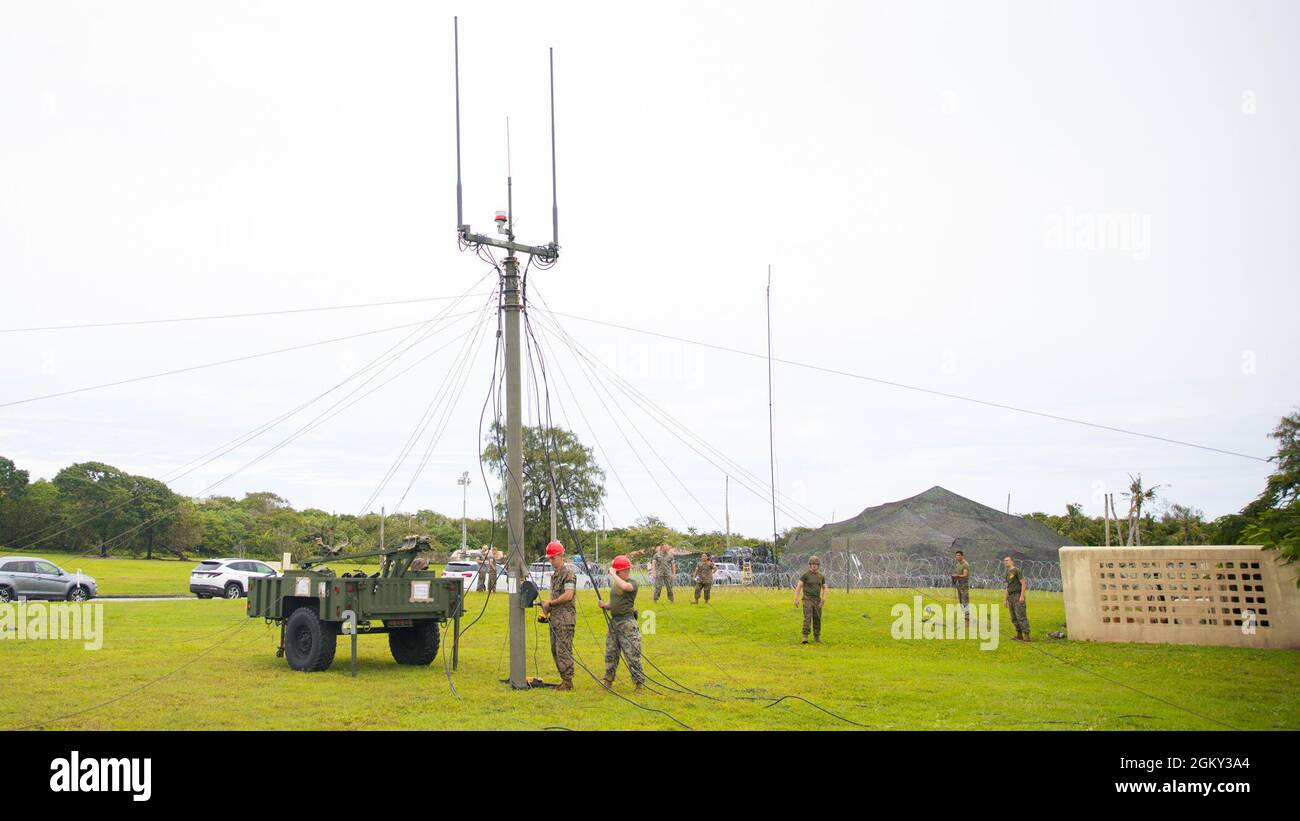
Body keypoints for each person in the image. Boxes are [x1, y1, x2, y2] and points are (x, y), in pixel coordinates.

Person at [599, 555, 645, 693]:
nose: (627, 572)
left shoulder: (632, 583)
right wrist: (605, 605)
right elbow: (614, 602)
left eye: (627, 570)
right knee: (611, 653)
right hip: (614, 623)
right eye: (624, 570)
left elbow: (625, 587)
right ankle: (608, 681)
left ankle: (639, 684)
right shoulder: (616, 585)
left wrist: (613, 573)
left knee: (632, 655)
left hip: (627, 624)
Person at [541, 540, 577, 689]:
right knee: (555, 650)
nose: (551, 561)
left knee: (563, 650)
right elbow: (556, 596)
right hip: (555, 618)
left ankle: (568, 682)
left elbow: (568, 595)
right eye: (549, 558)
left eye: (553, 558)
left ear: (560, 556)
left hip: (565, 619)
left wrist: (551, 603)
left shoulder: (568, 574)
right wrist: (547, 607)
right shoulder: (555, 575)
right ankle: (564, 680)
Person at [794, 556, 827, 644]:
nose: (814, 566)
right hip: (807, 599)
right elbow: (799, 586)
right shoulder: (805, 575)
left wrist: (823, 599)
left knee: (817, 618)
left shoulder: (821, 576)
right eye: (812, 564)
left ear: (818, 566)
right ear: (809, 565)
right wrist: (796, 598)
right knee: (807, 617)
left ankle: (817, 637)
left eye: (816, 564)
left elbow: (825, 588)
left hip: (817, 600)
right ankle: (805, 637)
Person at [1003, 555, 1030, 641]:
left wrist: (1021, 596)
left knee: (1021, 615)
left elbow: (1023, 583)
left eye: (1007, 560)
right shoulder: (1007, 573)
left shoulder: (1016, 571)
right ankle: (1019, 634)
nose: (1006, 562)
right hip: (1010, 596)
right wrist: (1005, 599)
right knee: (1013, 617)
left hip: (1017, 595)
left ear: (1012, 561)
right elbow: (1007, 587)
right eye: (1004, 561)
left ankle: (1026, 634)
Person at [951, 549, 972, 626]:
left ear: (962, 556)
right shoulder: (958, 564)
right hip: (959, 585)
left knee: (965, 603)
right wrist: (954, 578)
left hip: (964, 586)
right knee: (961, 603)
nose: (957, 557)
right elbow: (957, 574)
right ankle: (966, 618)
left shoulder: (965, 564)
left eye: (959, 555)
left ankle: (967, 621)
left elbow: (965, 575)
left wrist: (957, 576)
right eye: (956, 555)